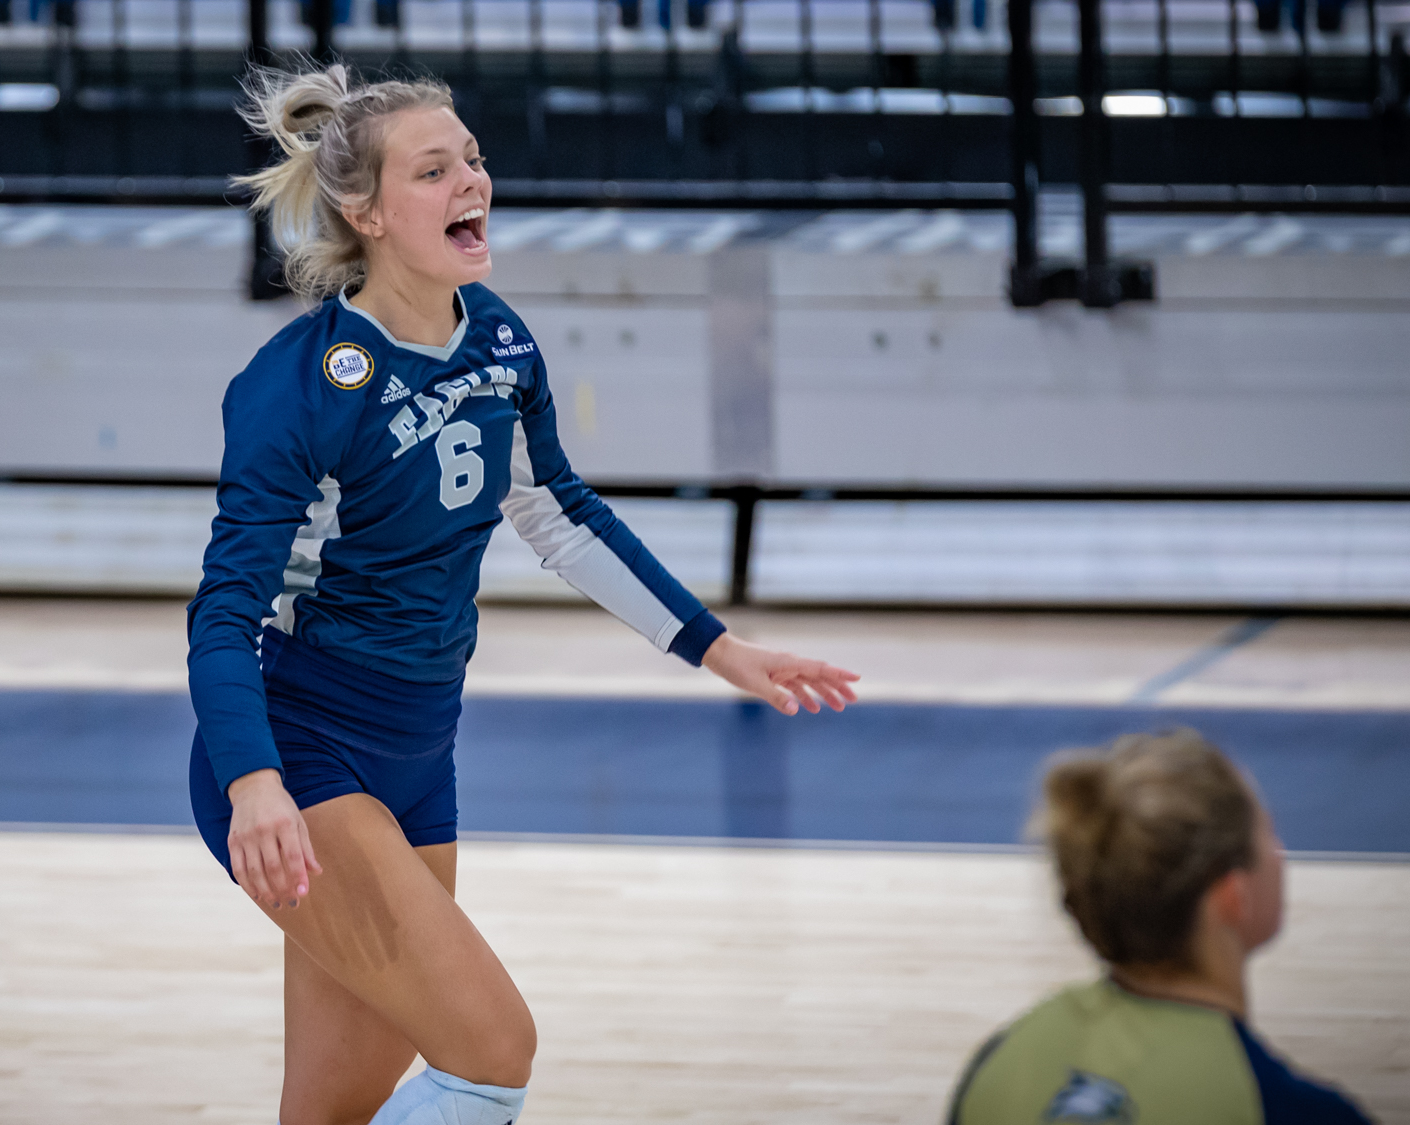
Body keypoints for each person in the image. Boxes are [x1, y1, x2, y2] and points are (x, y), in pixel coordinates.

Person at [186, 65, 861, 1125]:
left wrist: (720, 650)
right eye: (435, 168)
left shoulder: (496, 338)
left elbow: (556, 513)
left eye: (474, 159)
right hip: (303, 751)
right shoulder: (298, 384)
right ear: (363, 212)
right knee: (490, 1054)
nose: (473, 181)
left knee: (328, 1110)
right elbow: (223, 610)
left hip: (418, 752)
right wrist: (251, 784)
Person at [946, 730, 1374, 1125]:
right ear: (1231, 897)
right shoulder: (1292, 1111)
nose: (1280, 852)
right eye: (1268, 833)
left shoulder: (1002, 1061)